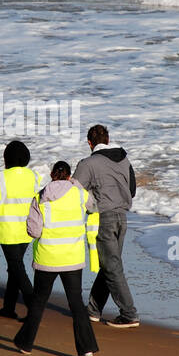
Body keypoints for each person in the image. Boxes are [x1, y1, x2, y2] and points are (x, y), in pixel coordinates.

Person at [13, 162, 101, 356]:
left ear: (51, 175)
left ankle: (26, 343)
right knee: (76, 304)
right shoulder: (80, 194)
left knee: (39, 301)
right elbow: (94, 206)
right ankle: (86, 348)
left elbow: (34, 231)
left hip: (47, 257)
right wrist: (78, 186)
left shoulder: (40, 197)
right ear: (69, 177)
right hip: (72, 258)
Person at [73, 124, 139, 327]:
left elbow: (73, 193)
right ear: (108, 140)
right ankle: (93, 310)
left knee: (111, 267)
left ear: (90, 143)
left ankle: (129, 314)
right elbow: (132, 190)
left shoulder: (88, 163)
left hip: (103, 218)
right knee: (110, 265)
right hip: (122, 218)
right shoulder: (124, 159)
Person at [0, 140, 43, 320]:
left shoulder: (0, 177)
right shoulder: (33, 176)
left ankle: (33, 305)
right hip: (27, 230)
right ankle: (8, 308)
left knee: (16, 267)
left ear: (6, 159)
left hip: (8, 230)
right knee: (14, 267)